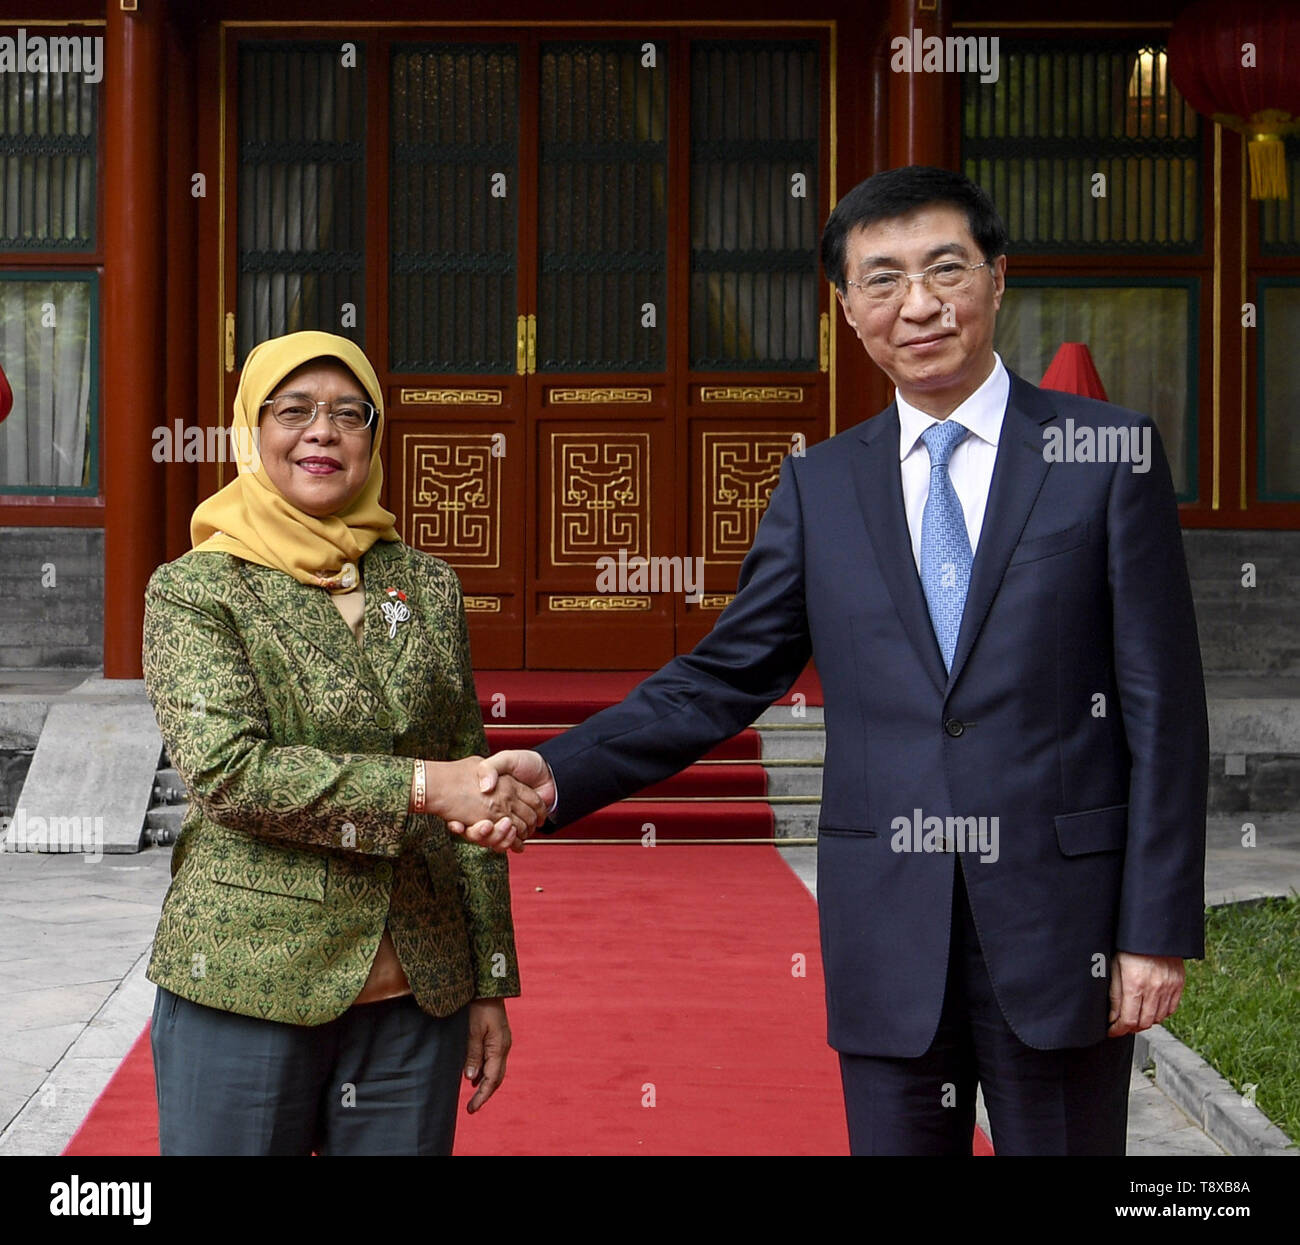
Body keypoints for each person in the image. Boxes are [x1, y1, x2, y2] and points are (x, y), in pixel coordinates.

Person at [459, 166, 1209, 1155]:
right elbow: (724, 675)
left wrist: (1154, 927)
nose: (919, 305)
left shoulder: (1105, 456)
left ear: (994, 280)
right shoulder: (822, 486)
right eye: (882, 279)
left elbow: (1163, 708)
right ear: (848, 310)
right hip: (885, 924)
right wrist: (558, 771)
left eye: (945, 269)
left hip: (1057, 917)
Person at [142, 329, 545, 1156]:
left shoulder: (424, 582)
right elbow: (231, 774)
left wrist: (488, 981)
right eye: (293, 410)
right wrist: (423, 788)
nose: (321, 431)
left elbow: (469, 766)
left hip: (415, 1002)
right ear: (251, 433)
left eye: (348, 414)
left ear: (375, 437)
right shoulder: (197, 587)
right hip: (247, 981)